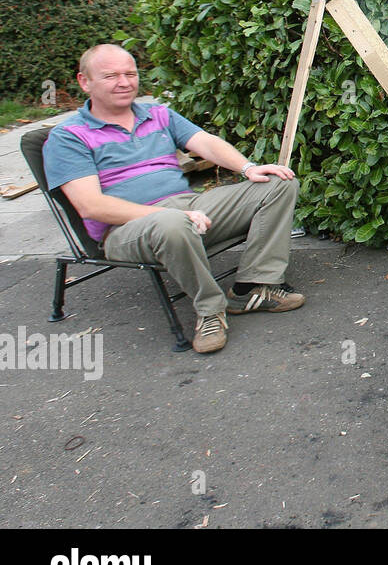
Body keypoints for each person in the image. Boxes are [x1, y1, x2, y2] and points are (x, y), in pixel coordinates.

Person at [42, 45, 304, 354]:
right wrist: (163, 216)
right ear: (85, 82)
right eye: (111, 76)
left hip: (187, 207)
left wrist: (248, 167)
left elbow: (204, 142)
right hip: (127, 227)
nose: (124, 82)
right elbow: (91, 206)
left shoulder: (158, 114)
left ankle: (253, 287)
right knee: (170, 223)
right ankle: (209, 311)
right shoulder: (69, 136)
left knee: (278, 183)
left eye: (130, 74)